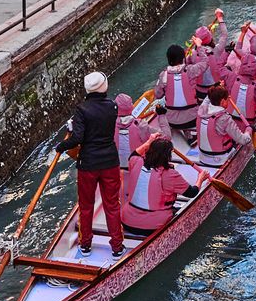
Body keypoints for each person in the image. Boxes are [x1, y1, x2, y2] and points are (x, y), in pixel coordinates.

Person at [56, 71, 125, 260]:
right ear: (104, 87)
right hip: (110, 161)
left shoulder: (82, 110)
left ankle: (85, 245)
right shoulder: (113, 107)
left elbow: (78, 138)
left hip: (88, 163)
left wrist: (61, 146)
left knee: (86, 206)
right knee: (112, 205)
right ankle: (117, 248)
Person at [123, 137, 208, 235]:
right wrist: (200, 178)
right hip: (152, 227)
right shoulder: (170, 174)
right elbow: (192, 192)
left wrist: (149, 141)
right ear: (167, 156)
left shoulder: (136, 161)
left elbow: (134, 154)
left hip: (126, 221)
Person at [196, 84, 252, 168]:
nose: (228, 101)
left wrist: (218, 87)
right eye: (227, 100)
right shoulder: (225, 118)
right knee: (244, 141)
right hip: (221, 159)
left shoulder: (201, 110)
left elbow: (206, 100)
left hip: (202, 157)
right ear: (222, 102)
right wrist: (248, 130)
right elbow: (243, 140)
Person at [155, 44, 206, 129]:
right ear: (183, 58)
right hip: (193, 119)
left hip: (172, 122)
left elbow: (158, 95)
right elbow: (205, 62)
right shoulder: (190, 70)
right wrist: (199, 46)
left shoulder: (163, 75)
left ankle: (187, 135)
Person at [114, 93, 171, 169]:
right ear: (132, 107)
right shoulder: (141, 126)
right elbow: (167, 137)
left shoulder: (109, 126)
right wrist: (162, 115)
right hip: (139, 167)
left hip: (117, 166)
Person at [188, 8, 229, 101]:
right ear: (210, 38)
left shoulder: (193, 54)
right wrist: (220, 19)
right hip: (216, 91)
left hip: (199, 92)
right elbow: (224, 35)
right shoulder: (216, 50)